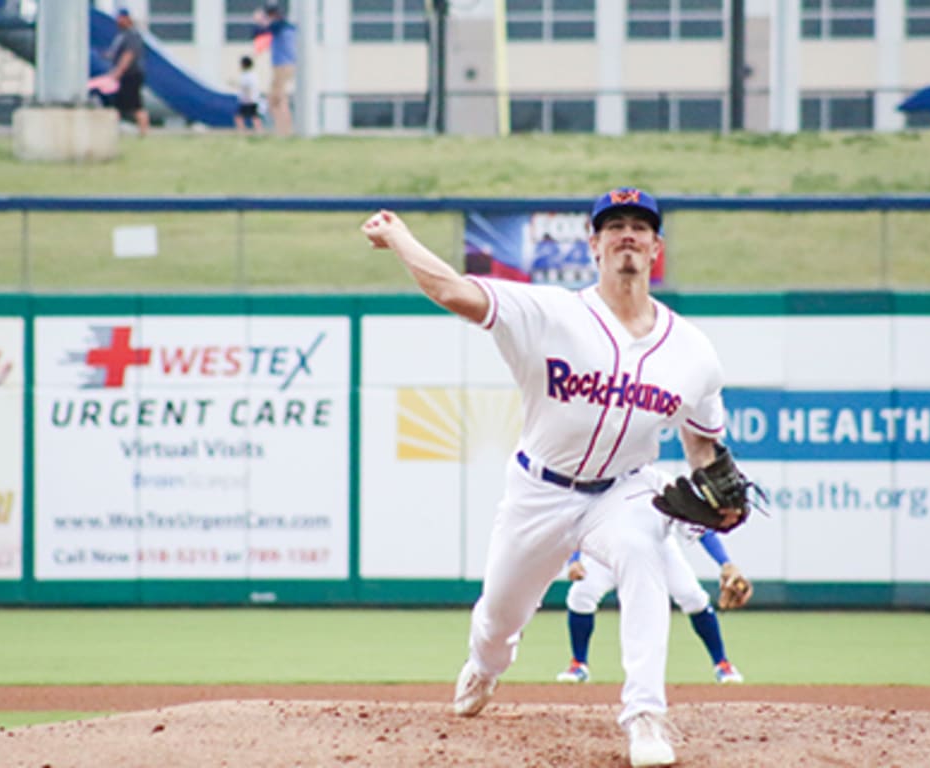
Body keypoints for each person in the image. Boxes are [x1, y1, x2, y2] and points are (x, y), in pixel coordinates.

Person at [361, 187, 743, 768]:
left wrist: (718, 488)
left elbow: (702, 441)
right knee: (498, 619)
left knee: (645, 550)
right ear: (593, 244)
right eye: (613, 225)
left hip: (622, 489)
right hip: (538, 491)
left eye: (640, 226)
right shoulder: (548, 313)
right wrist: (399, 237)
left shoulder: (692, 351)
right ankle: (485, 669)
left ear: (656, 246)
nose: (627, 235)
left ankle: (646, 715)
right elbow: (450, 290)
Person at [557, 530, 746, 685]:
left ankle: (722, 663)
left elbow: (701, 528)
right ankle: (578, 664)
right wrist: (574, 560)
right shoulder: (609, 485)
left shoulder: (663, 485)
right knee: (581, 595)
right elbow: (580, 526)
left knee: (692, 597)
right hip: (611, 550)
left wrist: (725, 562)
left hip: (659, 551)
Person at [251, 2, 297, 137]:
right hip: (285, 66)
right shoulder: (286, 26)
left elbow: (258, 32)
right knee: (279, 99)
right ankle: (283, 130)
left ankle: (283, 131)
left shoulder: (278, 26)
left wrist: (259, 21)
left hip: (282, 67)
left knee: (275, 100)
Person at [105, 8, 150, 138]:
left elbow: (128, 54)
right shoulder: (122, 35)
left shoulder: (132, 35)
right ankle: (114, 133)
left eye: (120, 18)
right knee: (119, 105)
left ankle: (143, 132)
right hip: (126, 75)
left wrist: (118, 71)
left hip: (131, 74)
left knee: (136, 105)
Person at [234, 55, 262, 134]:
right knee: (254, 116)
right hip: (252, 99)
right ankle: (258, 131)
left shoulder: (247, 75)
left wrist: (248, 98)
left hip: (247, 100)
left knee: (240, 116)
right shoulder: (253, 74)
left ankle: (242, 131)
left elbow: (247, 88)